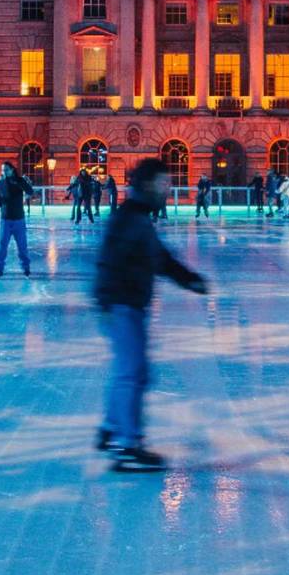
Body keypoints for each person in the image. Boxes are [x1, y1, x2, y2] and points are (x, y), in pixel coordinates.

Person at [93, 158, 208, 471]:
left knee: (132, 371)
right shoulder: (130, 219)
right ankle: (127, 446)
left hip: (127, 305)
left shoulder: (137, 217)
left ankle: (112, 427)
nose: (167, 189)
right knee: (132, 373)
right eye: (163, 183)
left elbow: (161, 259)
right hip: (122, 305)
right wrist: (106, 302)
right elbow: (108, 262)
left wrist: (189, 279)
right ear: (147, 185)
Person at [0, 161, 34, 278]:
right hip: (5, 220)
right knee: (2, 246)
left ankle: (26, 267)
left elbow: (30, 191)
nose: (4, 172)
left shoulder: (19, 181)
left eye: (6, 169)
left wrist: (22, 183)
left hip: (19, 220)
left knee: (22, 246)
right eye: (2, 170)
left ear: (12, 170)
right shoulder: (0, 183)